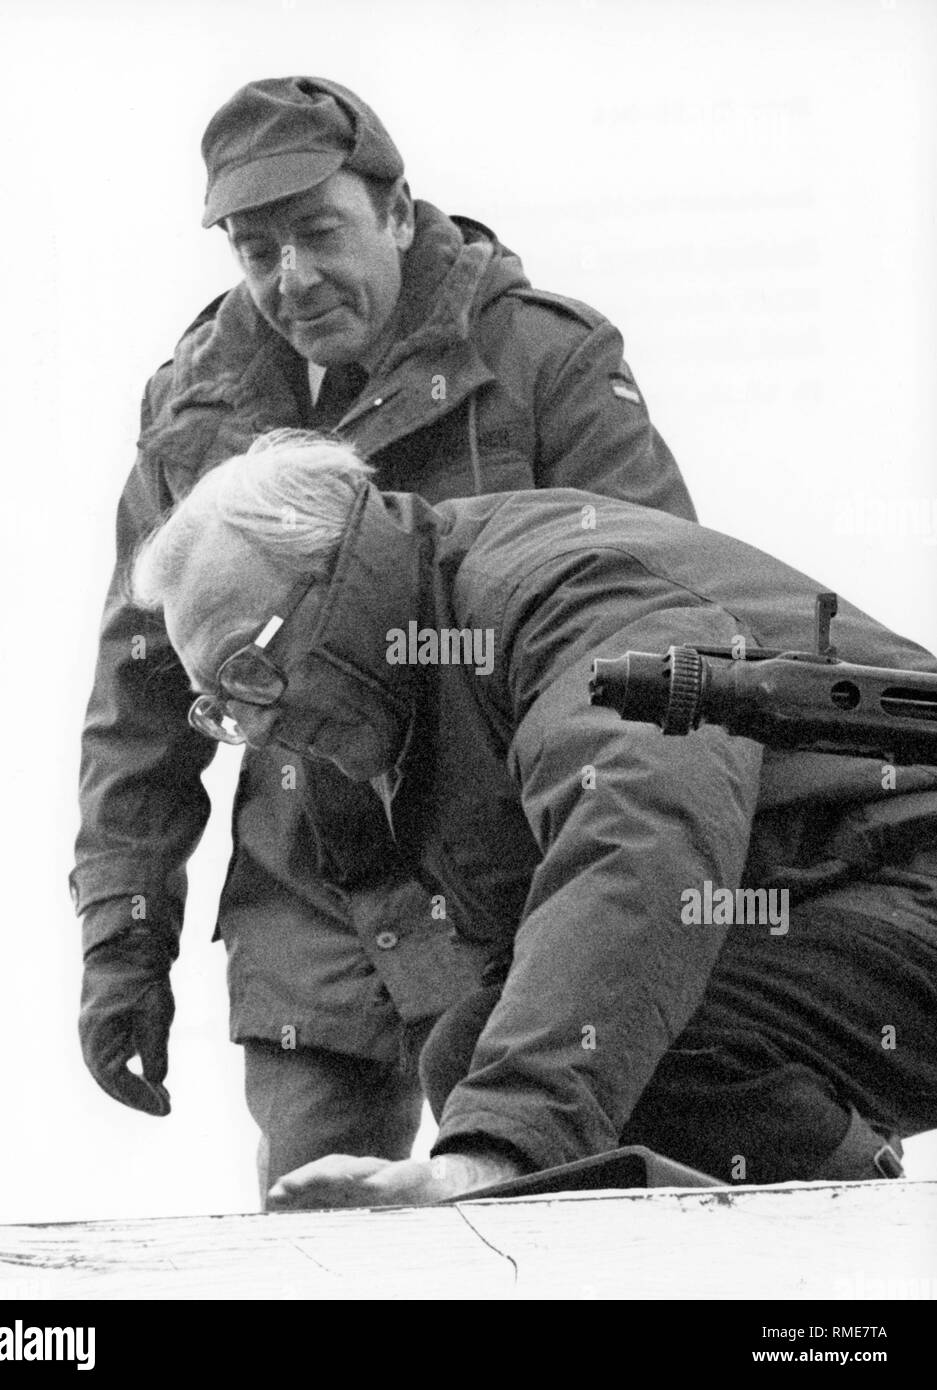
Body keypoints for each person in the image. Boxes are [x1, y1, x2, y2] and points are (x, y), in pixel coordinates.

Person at [72, 76, 696, 1203]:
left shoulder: (543, 359)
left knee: (556, 1192)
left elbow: (654, 619)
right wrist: (124, 940)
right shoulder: (189, 415)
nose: (293, 278)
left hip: (511, 871)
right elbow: (141, 698)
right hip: (310, 901)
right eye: (258, 251)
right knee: (321, 1230)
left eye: (320, 232)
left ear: (398, 210)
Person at [127, 428, 937, 1209]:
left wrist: (492, 1154)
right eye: (223, 705)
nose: (257, 726)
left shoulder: (560, 587)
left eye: (249, 668)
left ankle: (856, 1257)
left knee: (603, 1068)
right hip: (839, 901)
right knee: (472, 1056)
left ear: (336, 571)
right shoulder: (406, 706)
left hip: (908, 870)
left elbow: (637, 846)